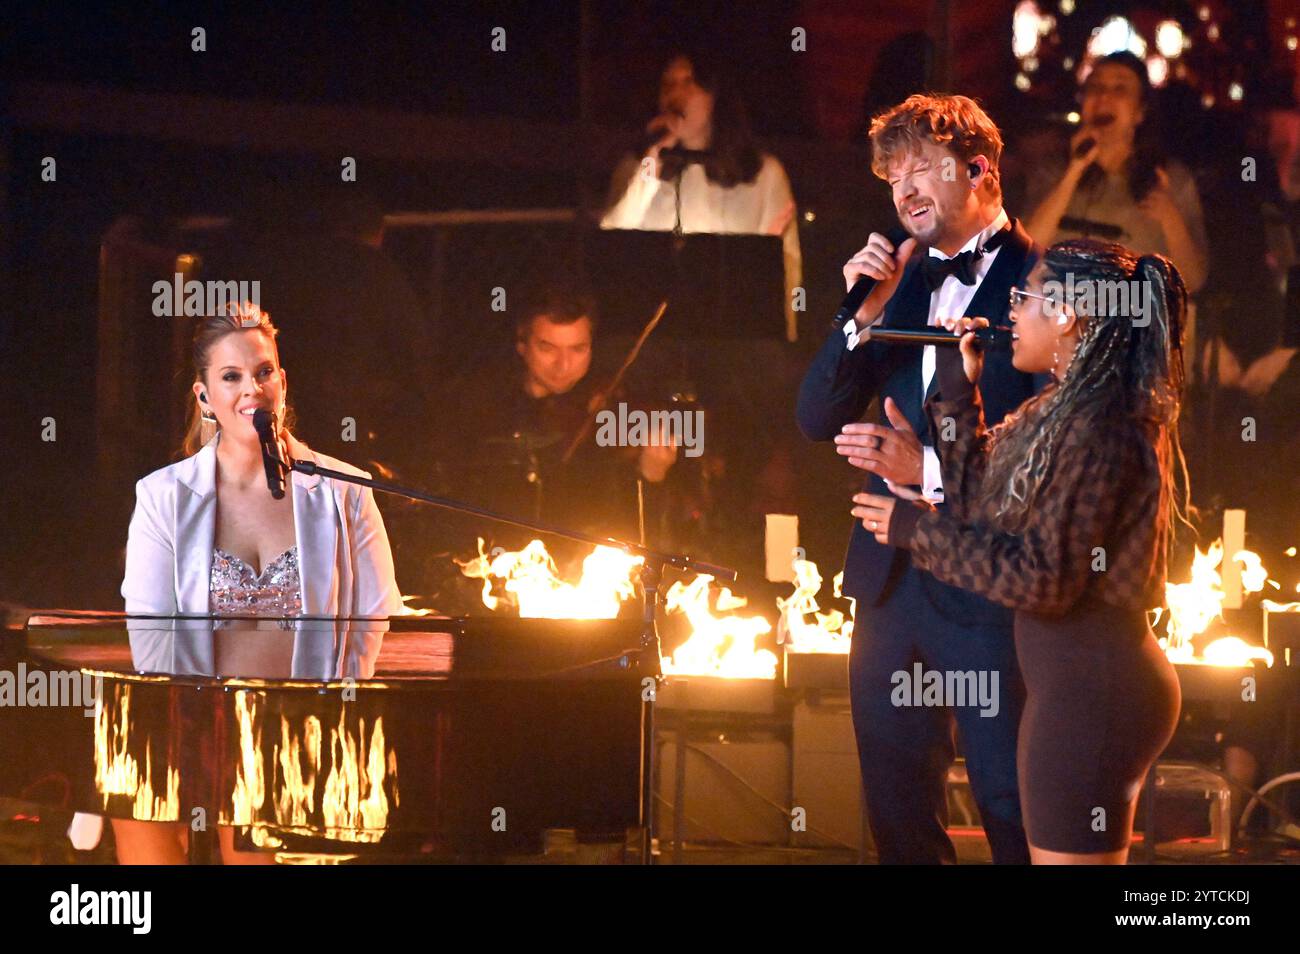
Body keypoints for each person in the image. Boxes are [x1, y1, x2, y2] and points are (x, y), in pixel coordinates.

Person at [853, 240, 1189, 864]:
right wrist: (956, 394)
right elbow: (984, 498)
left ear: (1065, 314)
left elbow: (1042, 580)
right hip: (1069, 685)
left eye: (1022, 298)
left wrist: (917, 531)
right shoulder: (1064, 408)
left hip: (1096, 689)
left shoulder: (1102, 426)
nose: (1010, 312)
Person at [797, 93, 1041, 864]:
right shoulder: (894, 278)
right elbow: (814, 416)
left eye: (920, 169)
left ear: (981, 171)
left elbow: (1052, 454)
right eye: (891, 175)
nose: (903, 189)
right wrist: (858, 314)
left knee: (1012, 808)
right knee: (898, 818)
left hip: (988, 587)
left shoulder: (1047, 285)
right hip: (889, 580)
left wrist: (929, 468)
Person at [112, 302, 403, 863]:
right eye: (232, 376)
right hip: (193, 733)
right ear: (204, 398)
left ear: (283, 382)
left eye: (264, 372)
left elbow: (371, 630)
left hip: (306, 742)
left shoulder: (345, 491)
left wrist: (320, 742)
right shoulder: (163, 497)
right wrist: (203, 742)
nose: (252, 389)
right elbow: (150, 641)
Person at [444, 289, 678, 549]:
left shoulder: (612, 416)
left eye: (578, 349)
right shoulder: (481, 409)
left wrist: (651, 477)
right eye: (548, 348)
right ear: (522, 345)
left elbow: (640, 536)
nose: (563, 365)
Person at [601, 50, 802, 340]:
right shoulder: (639, 167)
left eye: (689, 83)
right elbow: (612, 238)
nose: (676, 94)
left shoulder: (762, 173)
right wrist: (652, 160)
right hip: (655, 335)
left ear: (714, 96)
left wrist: (783, 341)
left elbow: (788, 267)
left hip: (733, 337)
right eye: (667, 84)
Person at [1024, 51, 1208, 295]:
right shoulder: (1054, 172)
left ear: (1140, 111)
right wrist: (1073, 173)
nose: (1104, 98)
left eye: (1120, 89)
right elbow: (1023, 257)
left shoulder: (1170, 179)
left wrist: (1169, 215)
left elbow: (1192, 280)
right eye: (1095, 87)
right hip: (1058, 317)